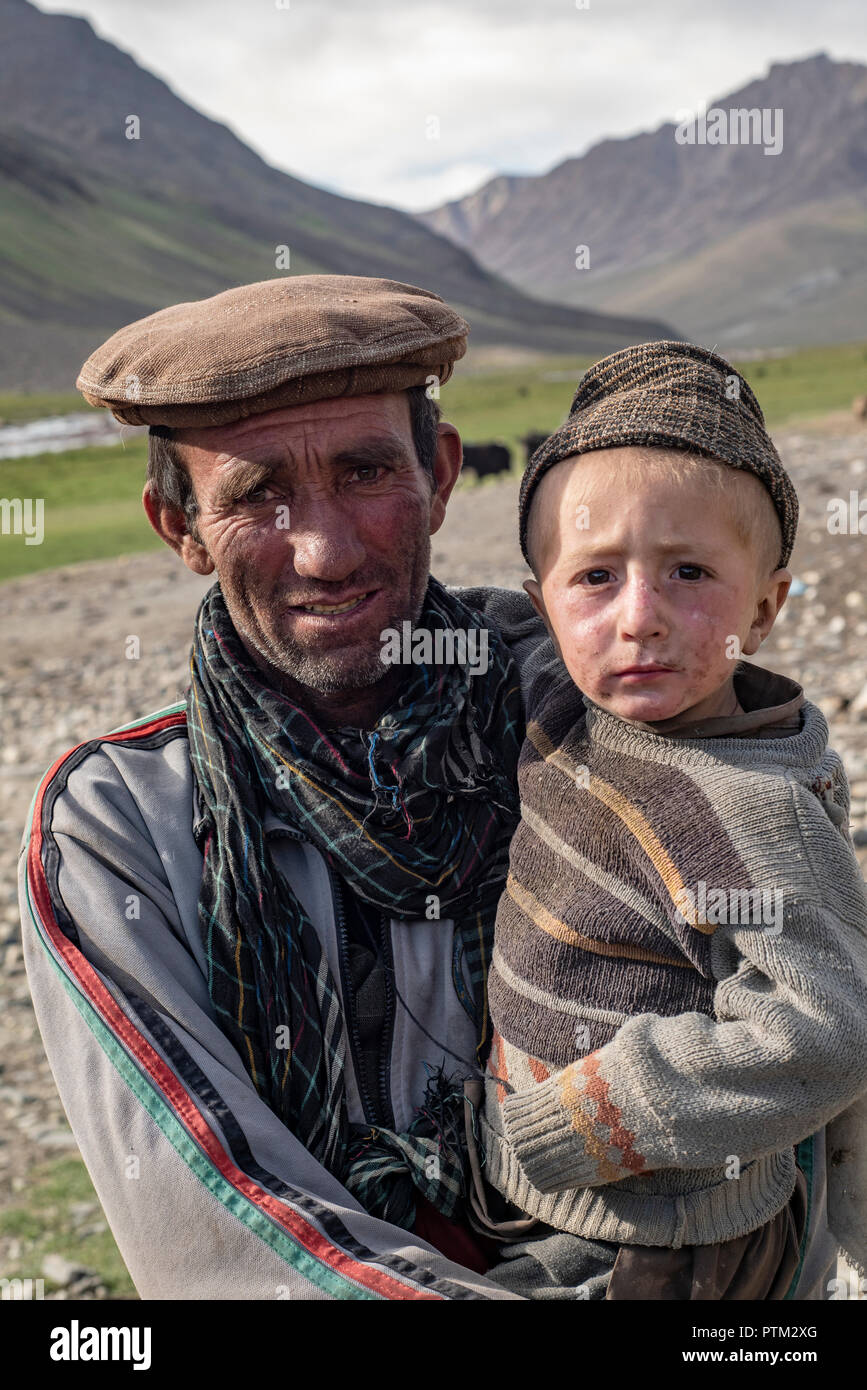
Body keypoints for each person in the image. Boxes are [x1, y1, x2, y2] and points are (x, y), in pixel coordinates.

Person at [19, 274, 558, 1300]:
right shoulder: (116, 833)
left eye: (363, 471)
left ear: (440, 476)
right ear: (178, 527)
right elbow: (222, 1238)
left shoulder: (583, 723)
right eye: (258, 494)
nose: (325, 548)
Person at [464, 341, 867, 1300]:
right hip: (549, 1194)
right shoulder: (568, 697)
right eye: (595, 578)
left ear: (766, 610)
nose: (637, 617)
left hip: (671, 1241)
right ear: (544, 608)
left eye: (688, 573)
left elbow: (830, 1029)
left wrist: (593, 1114)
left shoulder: (751, 813)